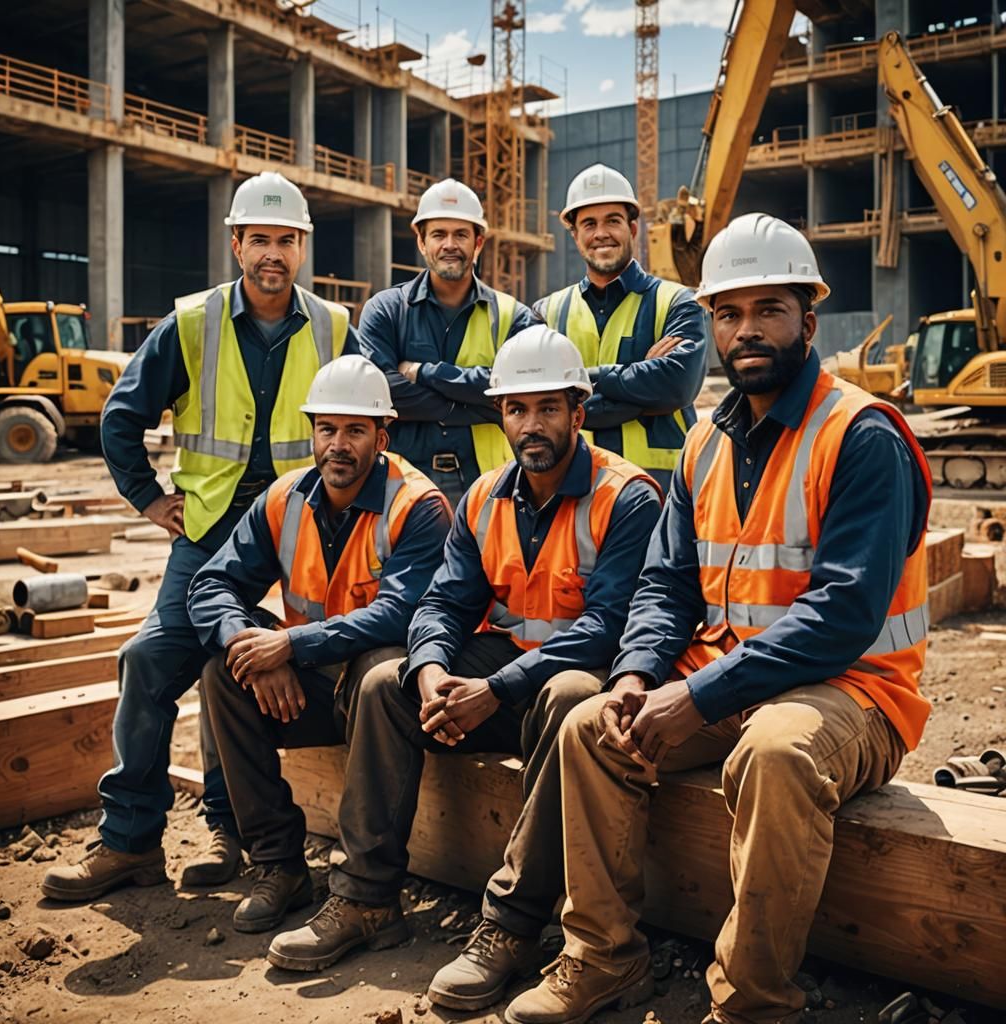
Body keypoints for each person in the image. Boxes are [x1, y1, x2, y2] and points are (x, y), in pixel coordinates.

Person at [505, 213, 932, 1024]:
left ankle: (749, 1004)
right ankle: (602, 957)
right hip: (731, 677)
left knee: (774, 754)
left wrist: (694, 699)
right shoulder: (705, 442)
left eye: (768, 309)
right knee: (592, 727)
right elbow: (667, 587)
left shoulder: (860, 434)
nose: (746, 330)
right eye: (728, 314)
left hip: (856, 693)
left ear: (808, 320)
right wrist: (636, 676)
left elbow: (843, 614)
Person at [265, 326, 662, 979]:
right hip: (507, 679)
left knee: (568, 700)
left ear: (578, 413)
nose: (530, 425)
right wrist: (428, 675)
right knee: (382, 684)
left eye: (547, 408)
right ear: (500, 415)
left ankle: (513, 925)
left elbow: (610, 625)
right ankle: (366, 898)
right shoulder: (484, 496)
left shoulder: (627, 498)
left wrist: (494, 690)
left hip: (579, 681)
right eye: (516, 408)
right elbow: (443, 605)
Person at [42, 172, 357, 901]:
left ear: (302, 246)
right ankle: (128, 841)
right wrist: (150, 499)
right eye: (260, 240)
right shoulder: (192, 324)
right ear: (236, 244)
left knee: (246, 667)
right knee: (150, 659)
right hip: (214, 531)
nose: (272, 254)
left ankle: (229, 830)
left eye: (286, 240)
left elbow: (366, 418)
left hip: (309, 531)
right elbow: (121, 418)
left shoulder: (337, 326)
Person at [186, 355, 451, 934]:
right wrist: (252, 651)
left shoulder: (418, 506)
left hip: (378, 705)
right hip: (307, 692)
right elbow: (210, 583)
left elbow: (399, 613)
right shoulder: (283, 500)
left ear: (383, 436)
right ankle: (279, 866)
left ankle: (367, 892)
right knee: (220, 673)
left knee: (386, 666)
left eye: (355, 430)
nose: (338, 444)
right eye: (326, 429)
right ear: (312, 433)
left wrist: (292, 646)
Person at [355, 178, 537, 505]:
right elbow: (380, 394)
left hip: (491, 485)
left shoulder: (515, 317)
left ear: (478, 242)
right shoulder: (385, 311)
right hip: (401, 484)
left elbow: (522, 394)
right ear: (421, 242)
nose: (449, 244)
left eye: (461, 234)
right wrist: (475, 406)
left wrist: (426, 373)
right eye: (438, 234)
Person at [537, 163, 707, 491]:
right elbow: (536, 400)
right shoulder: (547, 313)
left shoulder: (677, 302)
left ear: (632, 228)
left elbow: (678, 387)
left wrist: (573, 390)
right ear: (575, 235)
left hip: (660, 483)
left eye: (612, 221)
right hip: (572, 480)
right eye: (589, 223)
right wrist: (642, 375)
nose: (601, 233)